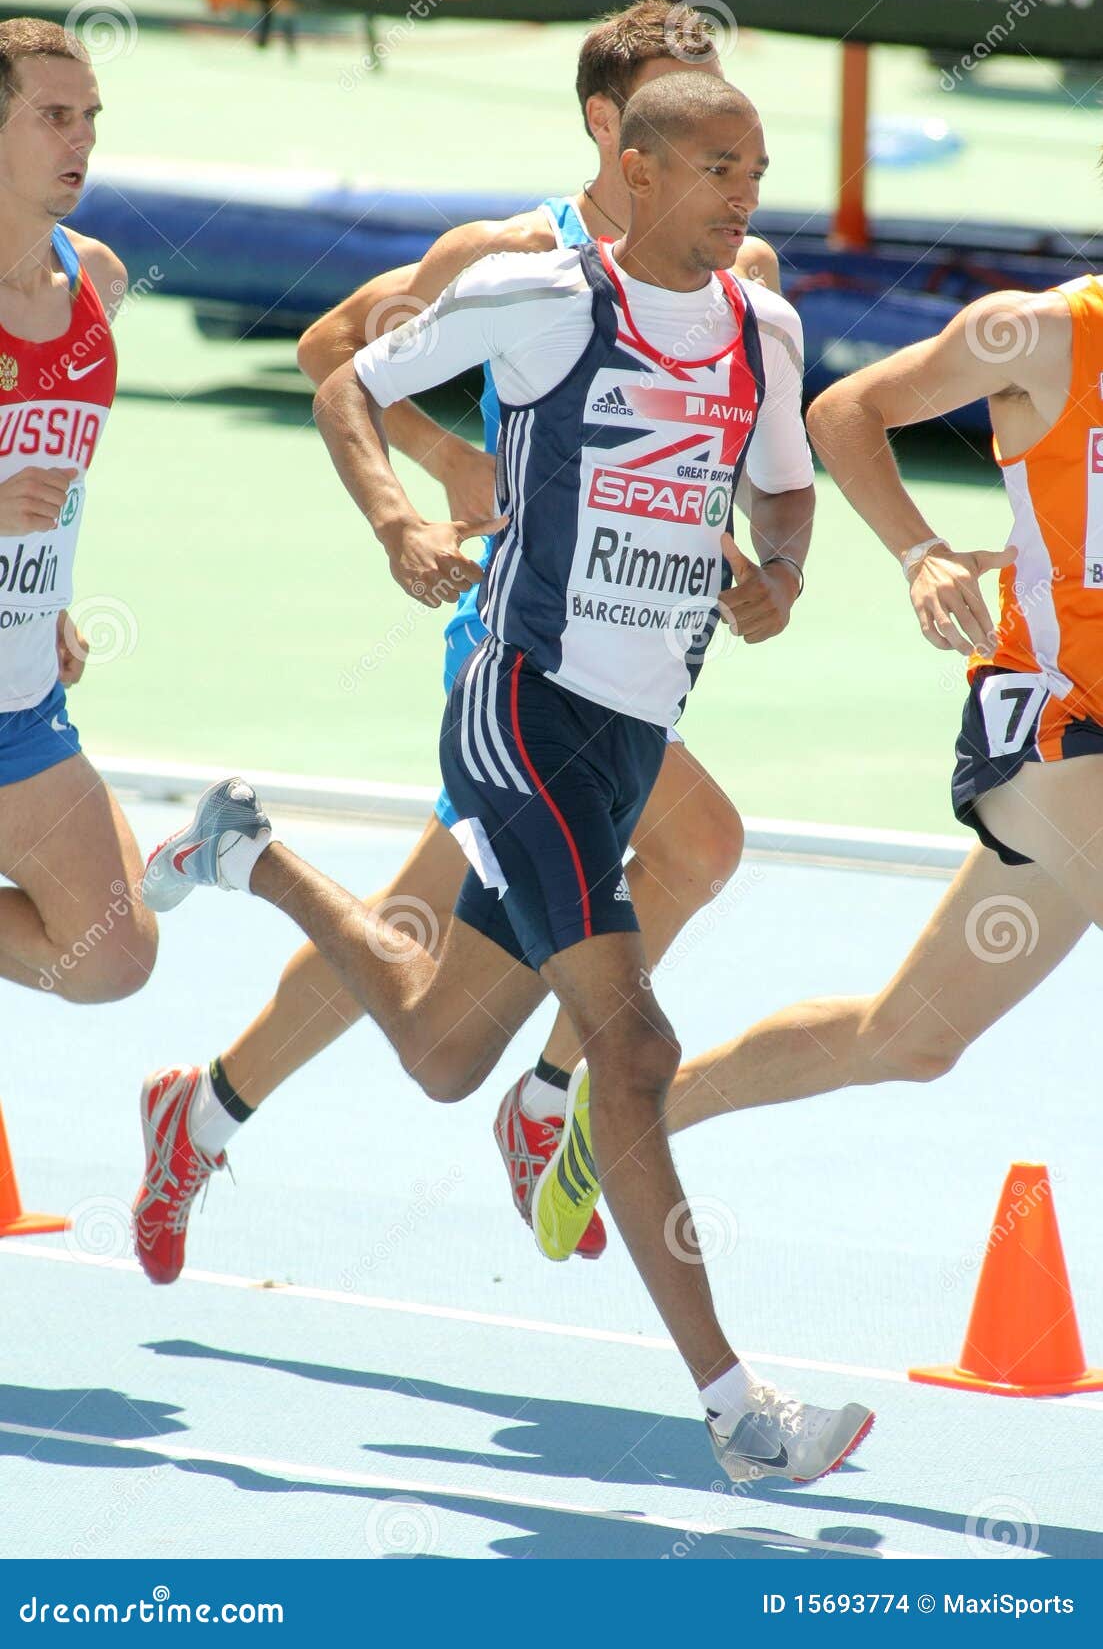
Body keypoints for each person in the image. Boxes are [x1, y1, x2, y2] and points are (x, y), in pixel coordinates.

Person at [138, 71, 874, 1485]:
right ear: (628, 152)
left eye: (755, 167)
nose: (746, 195)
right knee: (635, 1045)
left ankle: (249, 860)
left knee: (435, 1048)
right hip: (520, 705)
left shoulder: (761, 323)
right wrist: (406, 516)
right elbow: (344, 370)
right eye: (720, 166)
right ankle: (737, 1413)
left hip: (633, 730)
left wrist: (777, 566)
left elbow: (779, 479)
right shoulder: (532, 285)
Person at [541, 235, 1103, 1246]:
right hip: (1057, 721)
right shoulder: (1043, 332)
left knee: (908, 1038)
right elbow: (844, 410)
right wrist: (920, 551)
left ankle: (626, 1111)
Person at [0, 18, 156, 1007]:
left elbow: (56, 476)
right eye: (53, 116)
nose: (81, 140)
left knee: (110, 958)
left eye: (90, 117)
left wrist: (45, 594)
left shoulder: (95, 278)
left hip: (18, 690)